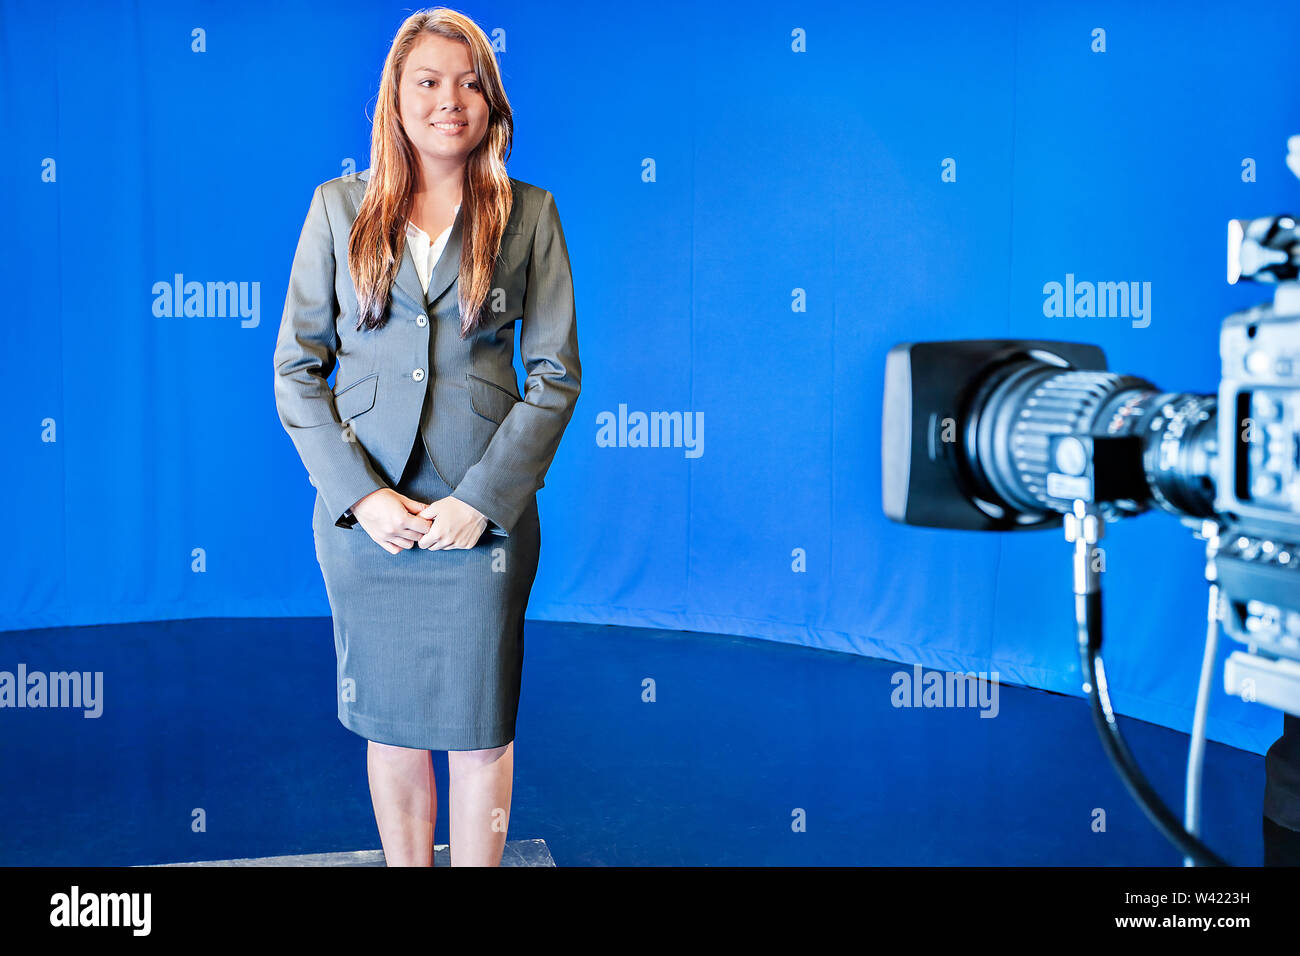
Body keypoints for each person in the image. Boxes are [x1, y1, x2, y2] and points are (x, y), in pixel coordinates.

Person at [273, 7, 580, 866]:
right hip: (368, 519)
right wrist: (362, 498)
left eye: (470, 81)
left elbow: (557, 376)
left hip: (484, 520)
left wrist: (483, 504)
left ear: (492, 99)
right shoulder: (338, 209)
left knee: (481, 733)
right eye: (429, 82)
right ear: (395, 100)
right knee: (394, 730)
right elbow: (296, 371)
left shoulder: (530, 214)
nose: (452, 100)